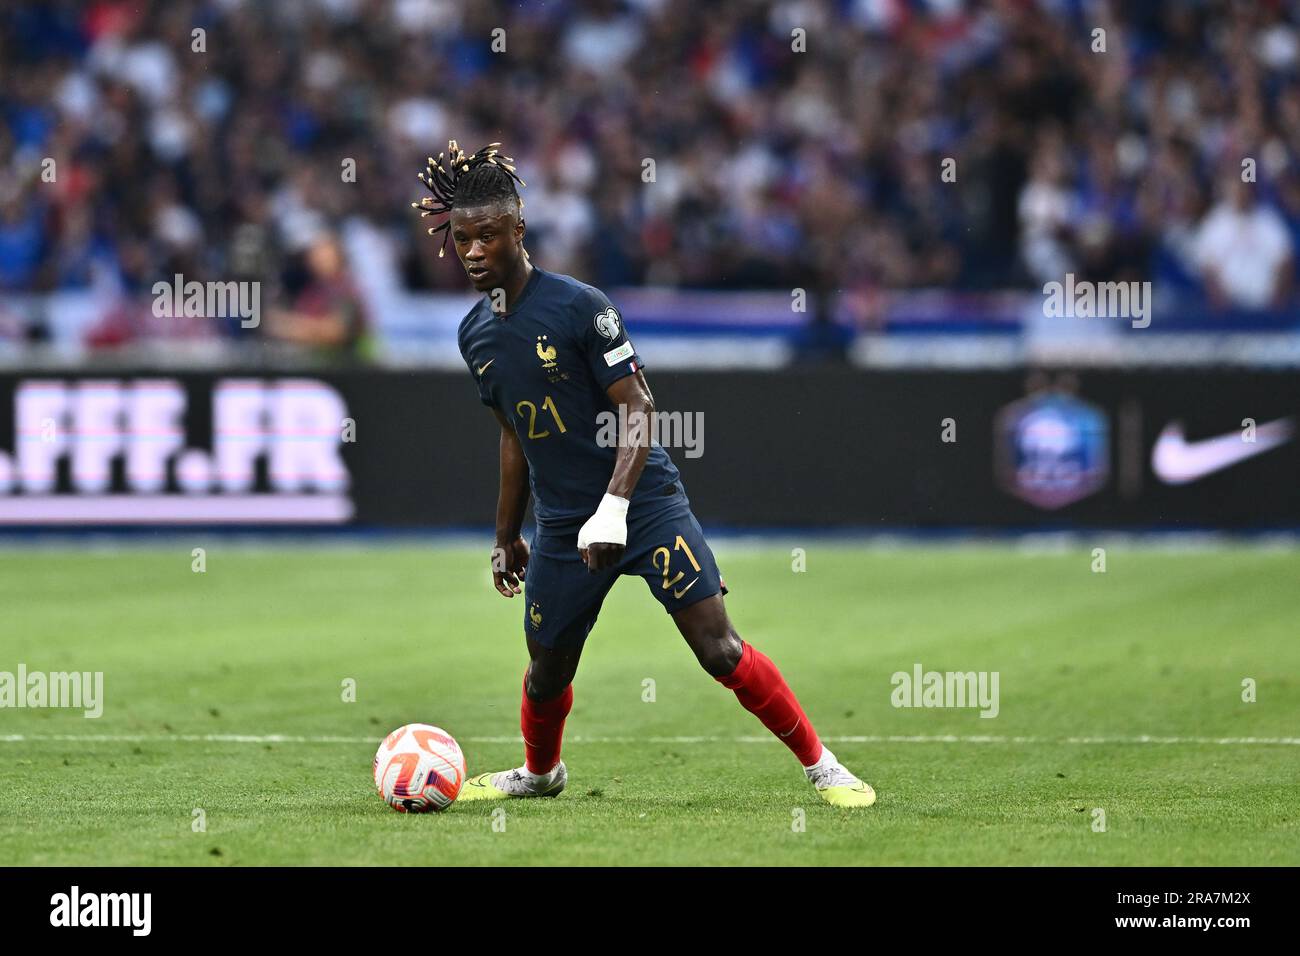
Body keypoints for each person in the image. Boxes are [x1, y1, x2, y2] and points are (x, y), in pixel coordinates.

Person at [420, 141, 873, 808]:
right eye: (463, 239)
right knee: (546, 672)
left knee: (718, 648)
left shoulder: (580, 307)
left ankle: (823, 765)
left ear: (519, 228)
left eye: (488, 235)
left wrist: (614, 506)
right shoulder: (474, 333)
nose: (475, 251)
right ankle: (541, 774)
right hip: (564, 521)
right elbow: (511, 433)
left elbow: (638, 406)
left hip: (643, 503)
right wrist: (505, 532)